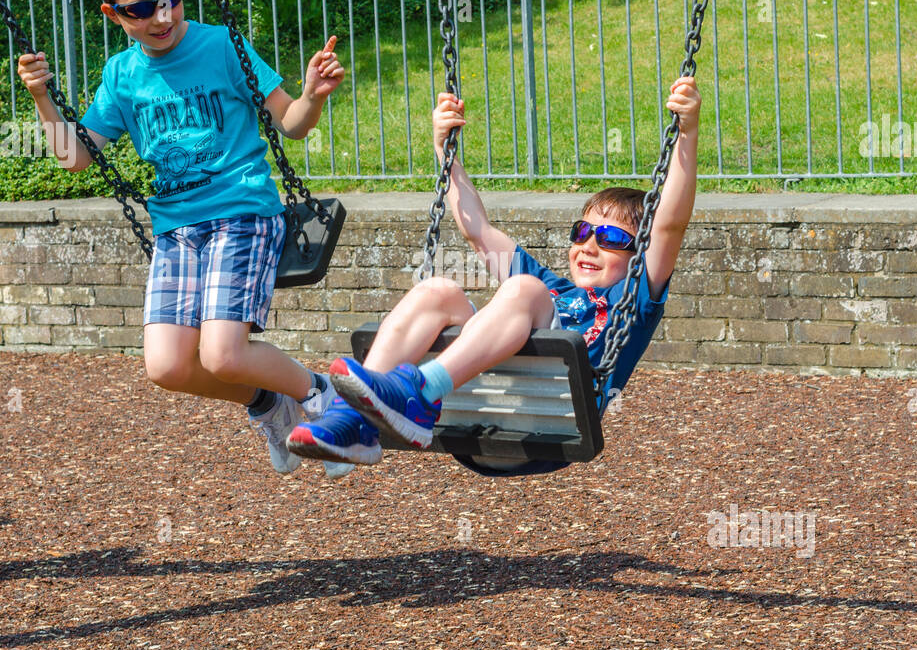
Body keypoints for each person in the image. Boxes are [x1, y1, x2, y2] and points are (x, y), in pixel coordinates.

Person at [16, 0, 351, 477]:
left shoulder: (222, 46)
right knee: (167, 367)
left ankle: (326, 400)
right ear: (113, 15)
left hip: (241, 210)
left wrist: (312, 96)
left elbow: (291, 125)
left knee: (223, 355)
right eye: (141, 10)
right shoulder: (122, 74)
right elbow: (75, 156)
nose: (162, 17)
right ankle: (270, 404)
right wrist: (42, 100)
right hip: (176, 228)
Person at [288, 75, 701, 466]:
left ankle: (420, 388)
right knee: (439, 291)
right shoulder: (551, 288)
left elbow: (669, 224)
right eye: (583, 231)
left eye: (610, 238)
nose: (588, 246)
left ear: (640, 252)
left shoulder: (634, 299)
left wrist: (687, 133)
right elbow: (479, 231)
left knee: (525, 288)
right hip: (479, 409)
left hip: (549, 424)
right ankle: (351, 422)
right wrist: (443, 151)